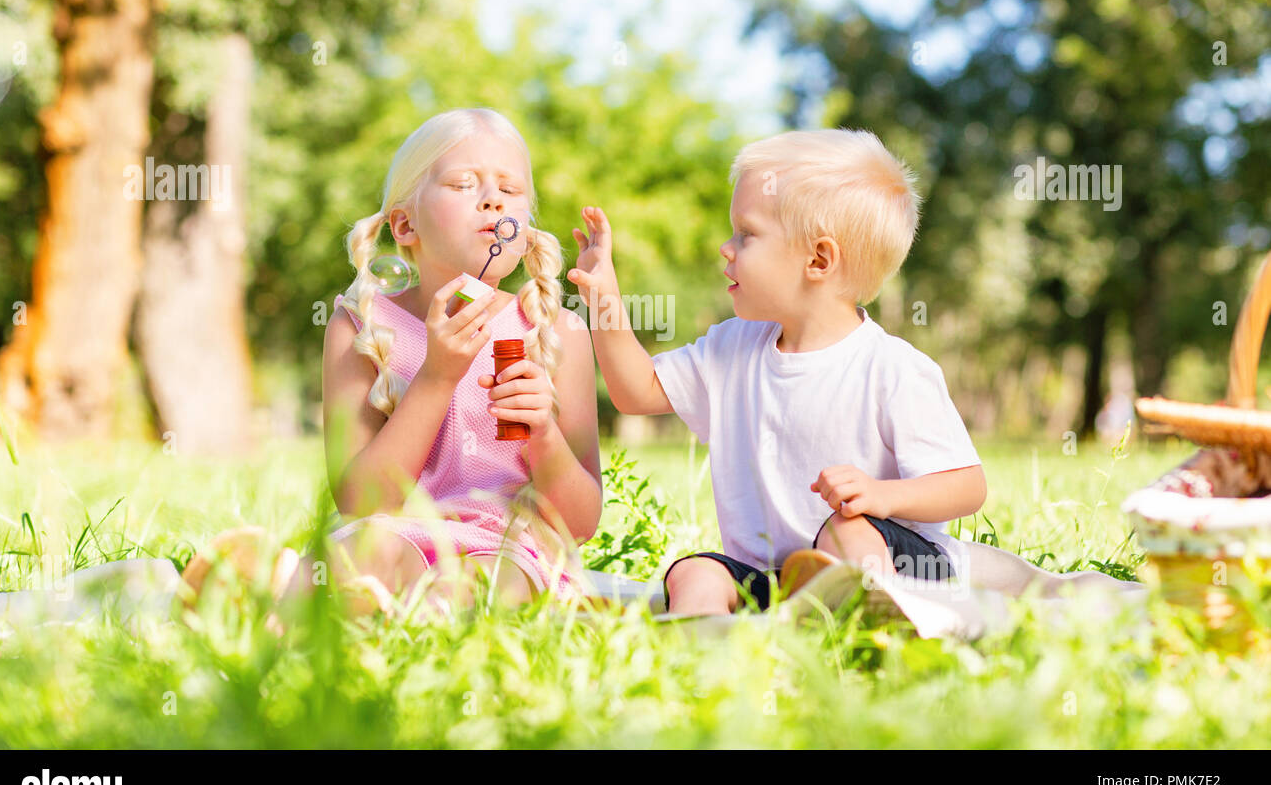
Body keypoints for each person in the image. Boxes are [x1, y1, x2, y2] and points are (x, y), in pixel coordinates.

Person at [185, 107, 603, 625]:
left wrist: (543, 435)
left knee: (488, 583)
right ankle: (286, 595)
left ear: (525, 231)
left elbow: (581, 522)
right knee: (368, 552)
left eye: (510, 190)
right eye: (462, 183)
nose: (493, 199)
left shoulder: (556, 331)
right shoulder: (363, 324)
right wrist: (436, 378)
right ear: (405, 224)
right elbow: (361, 499)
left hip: (512, 544)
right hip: (394, 528)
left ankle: (363, 612)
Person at [567, 128, 987, 616]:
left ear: (818, 259)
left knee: (847, 532)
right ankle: (706, 645)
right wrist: (605, 300)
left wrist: (882, 495)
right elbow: (637, 392)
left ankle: (881, 625)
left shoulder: (892, 369)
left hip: (903, 566)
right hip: (775, 581)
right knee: (693, 571)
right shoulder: (732, 350)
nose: (726, 248)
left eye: (746, 234)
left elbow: (966, 486)